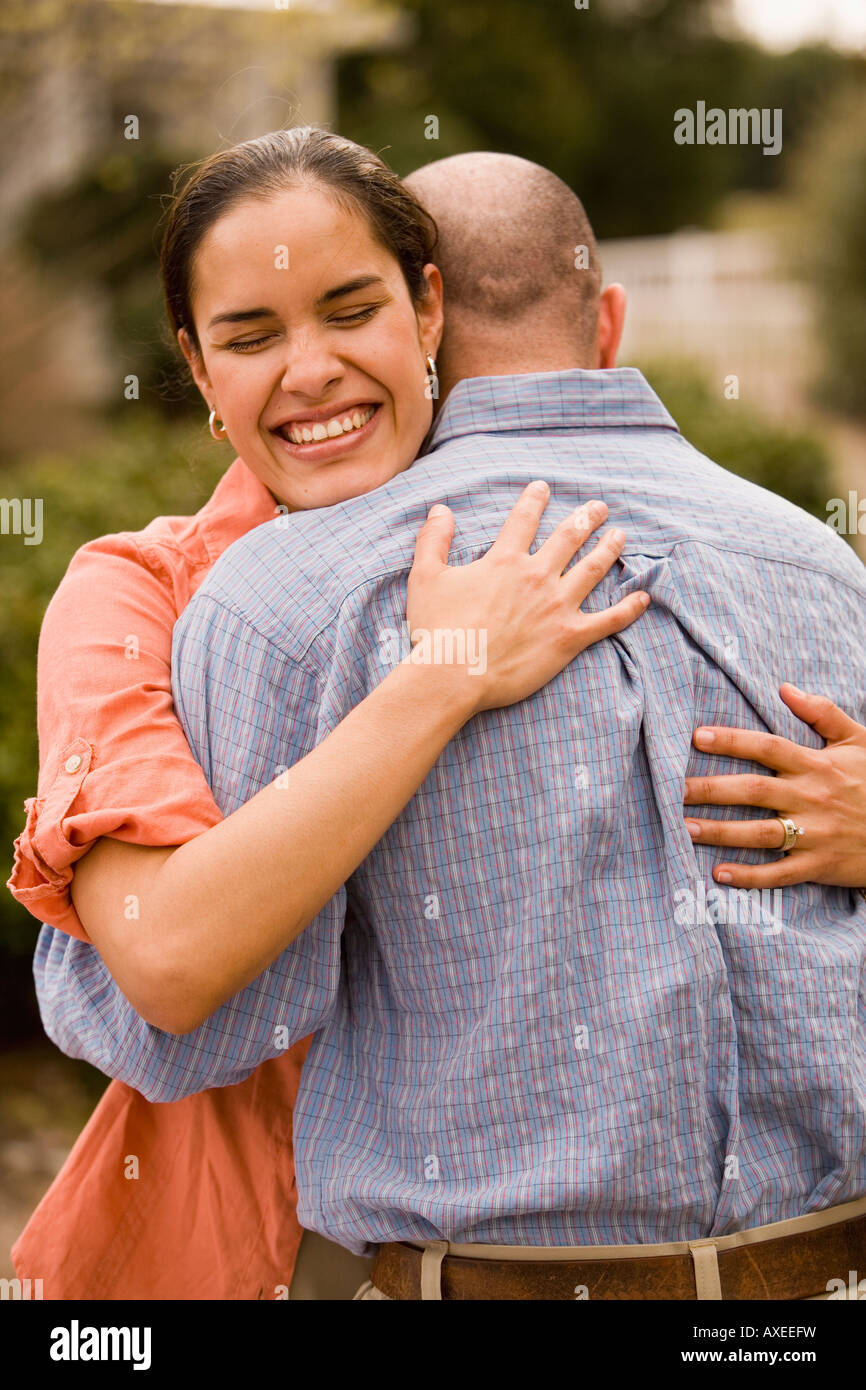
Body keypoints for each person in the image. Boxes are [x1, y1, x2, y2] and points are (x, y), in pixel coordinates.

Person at [32, 147, 866, 1300]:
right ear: (197, 368)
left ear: (428, 311)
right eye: (250, 334)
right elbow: (168, 972)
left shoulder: (697, 552)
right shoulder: (153, 596)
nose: (312, 371)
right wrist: (442, 676)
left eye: (350, 309)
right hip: (246, 1244)